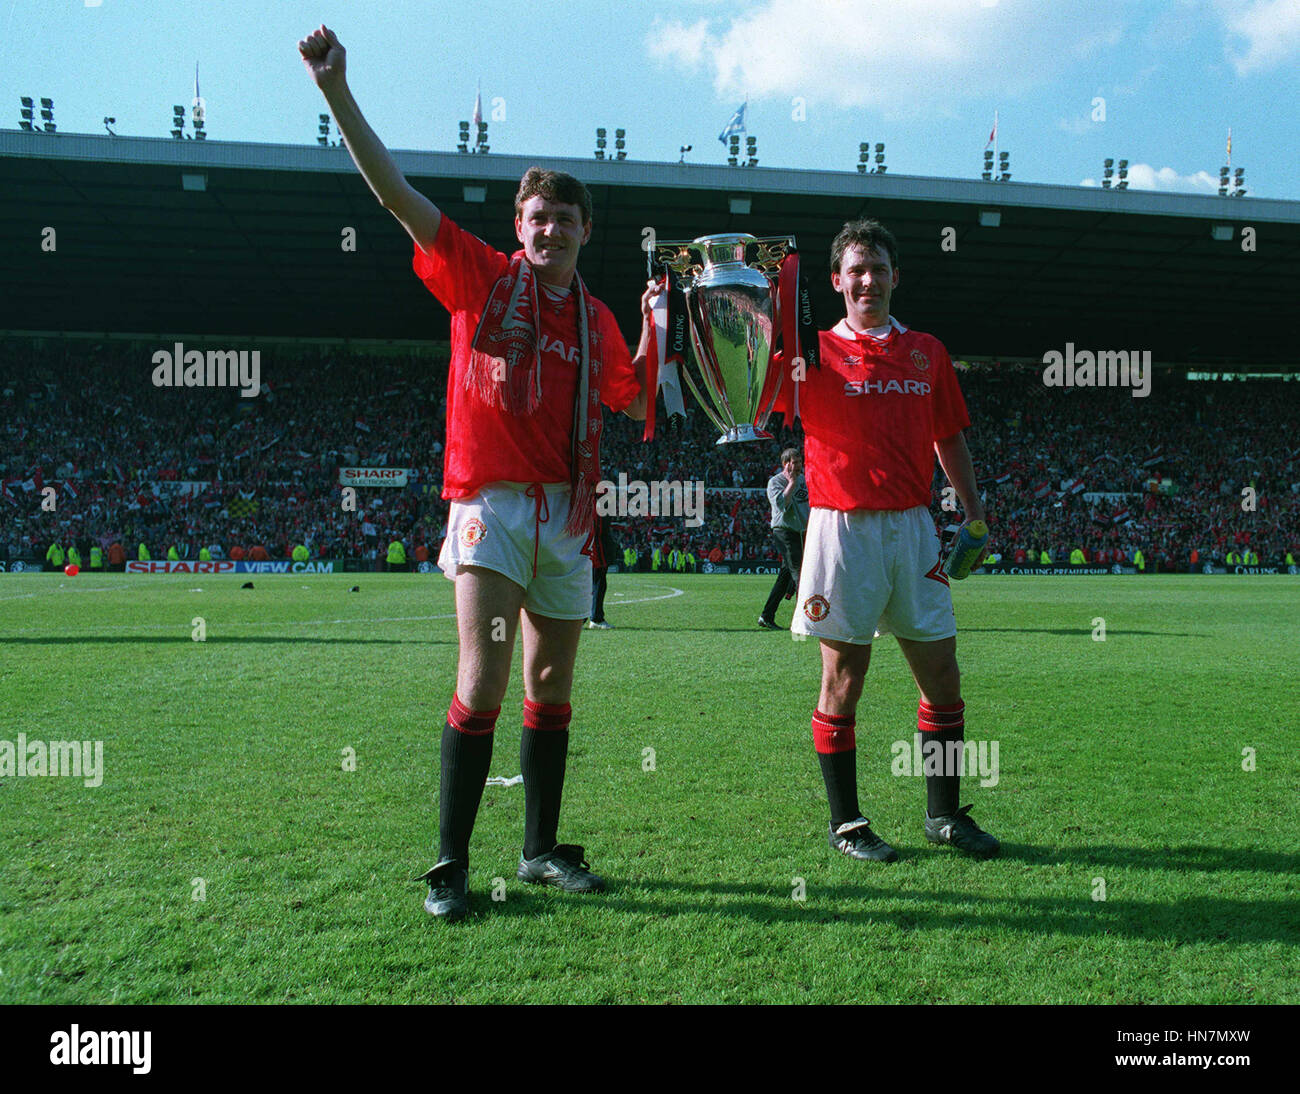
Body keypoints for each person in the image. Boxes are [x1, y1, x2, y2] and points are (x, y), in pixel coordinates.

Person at [301, 24, 651, 921]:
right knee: (484, 681)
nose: (550, 231)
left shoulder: (599, 316)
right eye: (537, 219)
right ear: (519, 228)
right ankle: (451, 863)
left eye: (565, 221)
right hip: (491, 505)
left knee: (549, 687)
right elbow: (395, 197)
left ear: (582, 232)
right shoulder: (480, 276)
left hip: (570, 516)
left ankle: (537, 851)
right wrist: (338, 91)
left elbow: (630, 391)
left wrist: (658, 320)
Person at [775, 218, 1000, 863]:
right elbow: (752, 369)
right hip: (840, 528)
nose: (868, 279)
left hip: (914, 528)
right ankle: (847, 824)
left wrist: (975, 515)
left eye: (878, 268)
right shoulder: (808, 353)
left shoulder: (926, 351)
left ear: (895, 276)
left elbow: (949, 436)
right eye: (856, 269)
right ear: (838, 281)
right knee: (844, 676)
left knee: (943, 676)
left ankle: (945, 815)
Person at [758, 448, 808, 629]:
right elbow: (781, 505)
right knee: (799, 573)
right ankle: (804, 620)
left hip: (800, 532)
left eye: (800, 462)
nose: (798, 466)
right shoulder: (775, 482)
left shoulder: (804, 480)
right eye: (794, 462)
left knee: (785, 576)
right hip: (784, 531)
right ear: (785, 464)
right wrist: (792, 483)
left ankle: (766, 616)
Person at [588, 513, 618, 629]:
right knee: (598, 582)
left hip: (593, 543)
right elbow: (598, 528)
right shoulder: (598, 501)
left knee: (595, 581)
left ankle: (588, 617)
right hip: (596, 545)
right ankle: (595, 617)